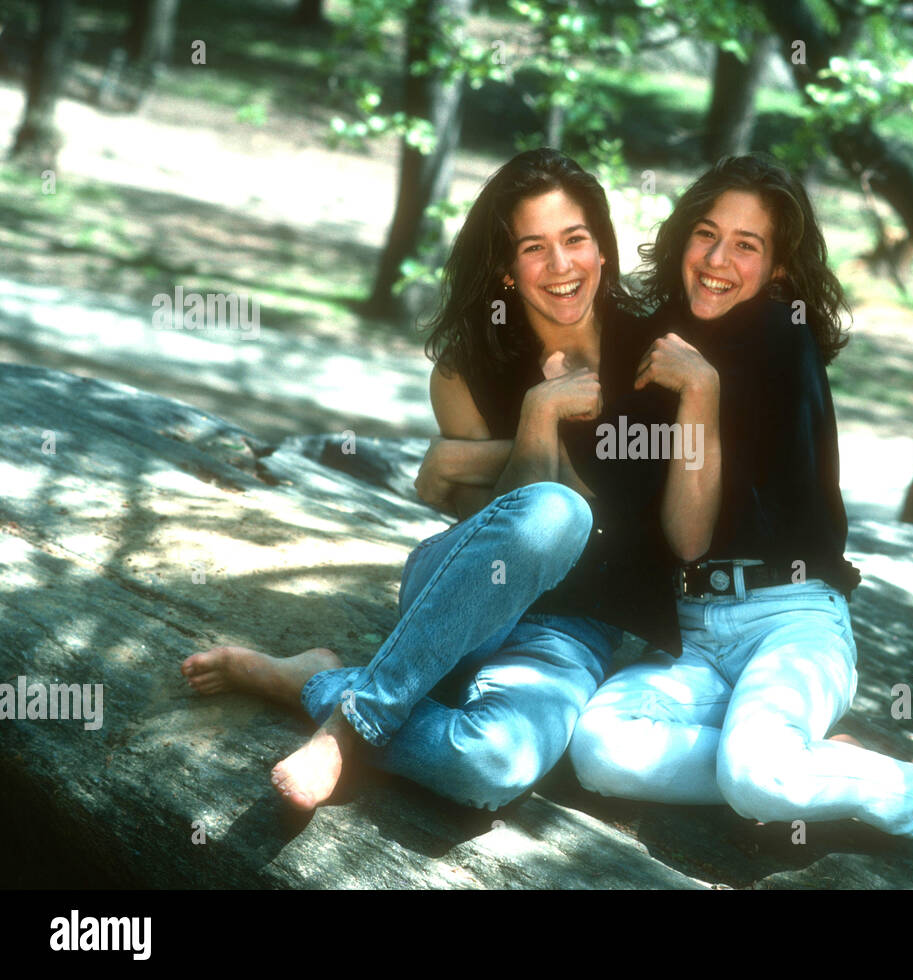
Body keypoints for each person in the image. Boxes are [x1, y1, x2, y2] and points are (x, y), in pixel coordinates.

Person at [180, 148, 718, 813]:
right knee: (556, 514)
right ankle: (358, 724)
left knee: (489, 765)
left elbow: (684, 531)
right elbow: (503, 525)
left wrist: (465, 459)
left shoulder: (662, 355)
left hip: (577, 629)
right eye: (533, 248)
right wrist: (538, 416)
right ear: (504, 269)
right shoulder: (465, 372)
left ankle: (318, 685)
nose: (560, 266)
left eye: (576, 239)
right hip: (463, 602)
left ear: (603, 249)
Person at [567, 155, 913, 849]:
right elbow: (658, 520)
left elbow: (694, 536)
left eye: (747, 245)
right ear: (683, 239)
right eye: (707, 234)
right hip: (694, 633)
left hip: (792, 625)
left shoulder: (780, 336)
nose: (717, 259)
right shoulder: (659, 342)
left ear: (779, 270)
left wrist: (700, 391)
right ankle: (813, 761)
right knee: (598, 749)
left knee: (759, 781)